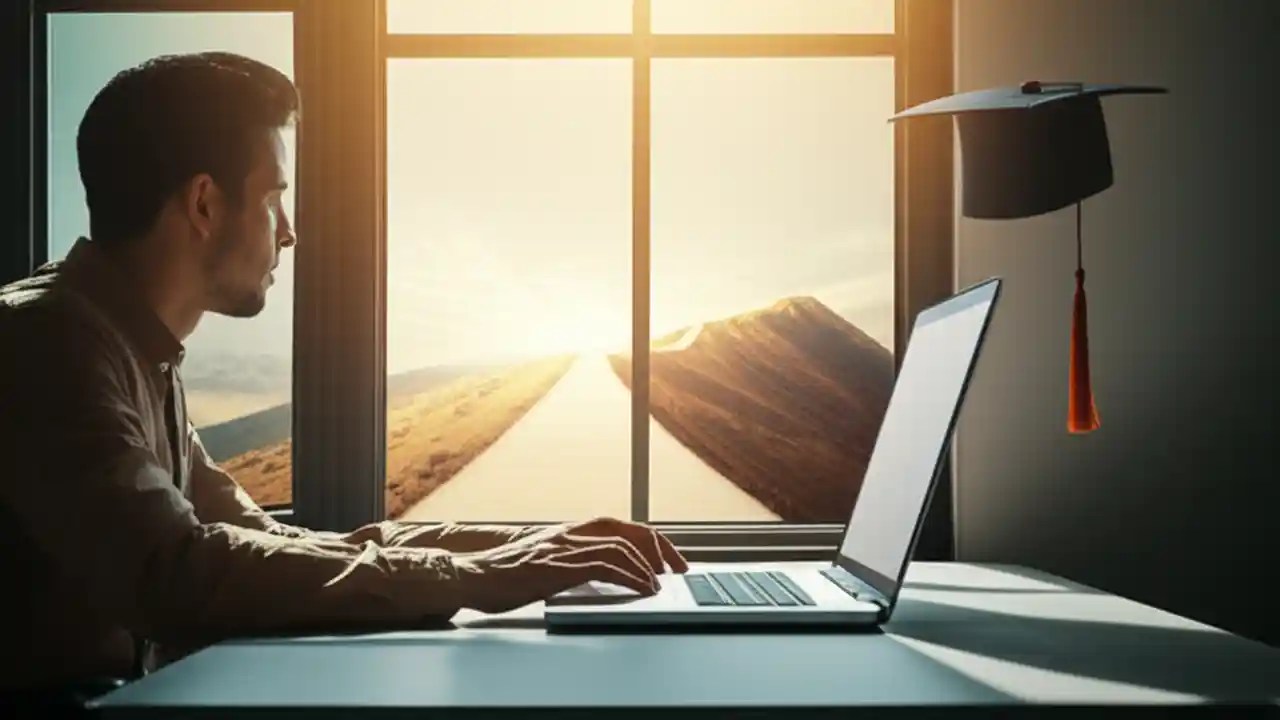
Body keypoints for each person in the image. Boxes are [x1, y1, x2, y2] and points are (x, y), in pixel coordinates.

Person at [0, 51, 688, 694]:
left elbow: (268, 546)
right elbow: (176, 571)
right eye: (274, 196)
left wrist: (524, 546)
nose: (289, 230)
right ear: (205, 204)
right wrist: (474, 575)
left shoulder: (128, 350)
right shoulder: (48, 341)